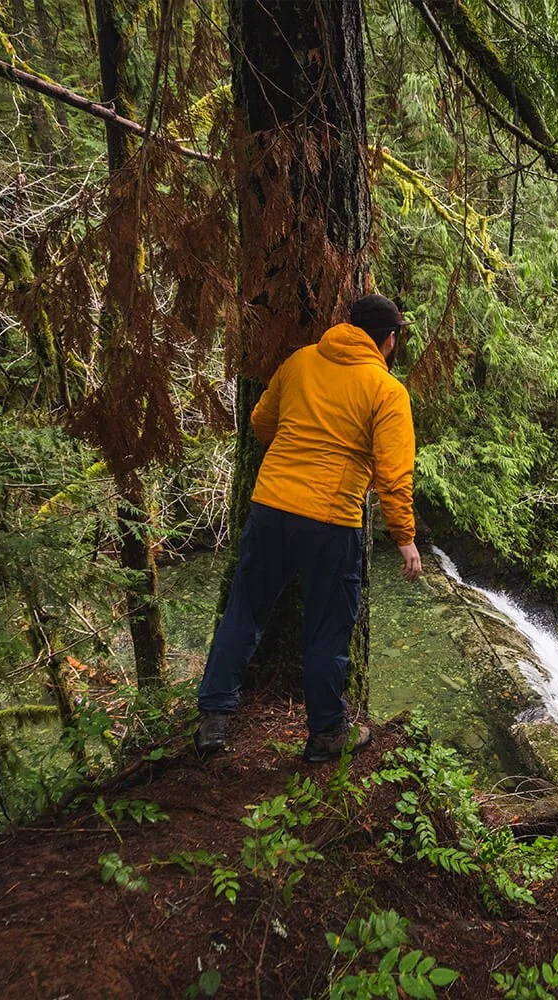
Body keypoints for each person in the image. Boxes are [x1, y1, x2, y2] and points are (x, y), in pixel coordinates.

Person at [195, 293, 422, 761]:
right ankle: (325, 735)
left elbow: (261, 422)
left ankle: (214, 719)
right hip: (330, 521)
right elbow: (394, 474)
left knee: (244, 612)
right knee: (327, 630)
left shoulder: (300, 361)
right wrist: (405, 538)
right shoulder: (386, 391)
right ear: (389, 339)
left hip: (271, 507)